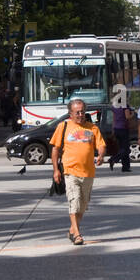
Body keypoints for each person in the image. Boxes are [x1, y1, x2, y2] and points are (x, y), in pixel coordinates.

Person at [50, 98, 106, 246]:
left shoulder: (92, 128)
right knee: (74, 203)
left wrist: (100, 155)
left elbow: (101, 145)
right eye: (77, 112)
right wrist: (56, 170)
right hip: (70, 171)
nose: (80, 115)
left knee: (82, 205)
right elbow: (55, 149)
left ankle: (71, 231)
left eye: (82, 112)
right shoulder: (63, 126)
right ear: (70, 113)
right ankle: (78, 235)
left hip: (88, 172)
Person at [107, 103, 134, 174]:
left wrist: (113, 130)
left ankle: (125, 167)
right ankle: (113, 159)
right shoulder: (125, 106)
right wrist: (133, 114)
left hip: (116, 129)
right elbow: (127, 117)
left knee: (122, 148)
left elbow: (114, 118)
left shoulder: (114, 106)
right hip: (123, 129)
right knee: (126, 148)